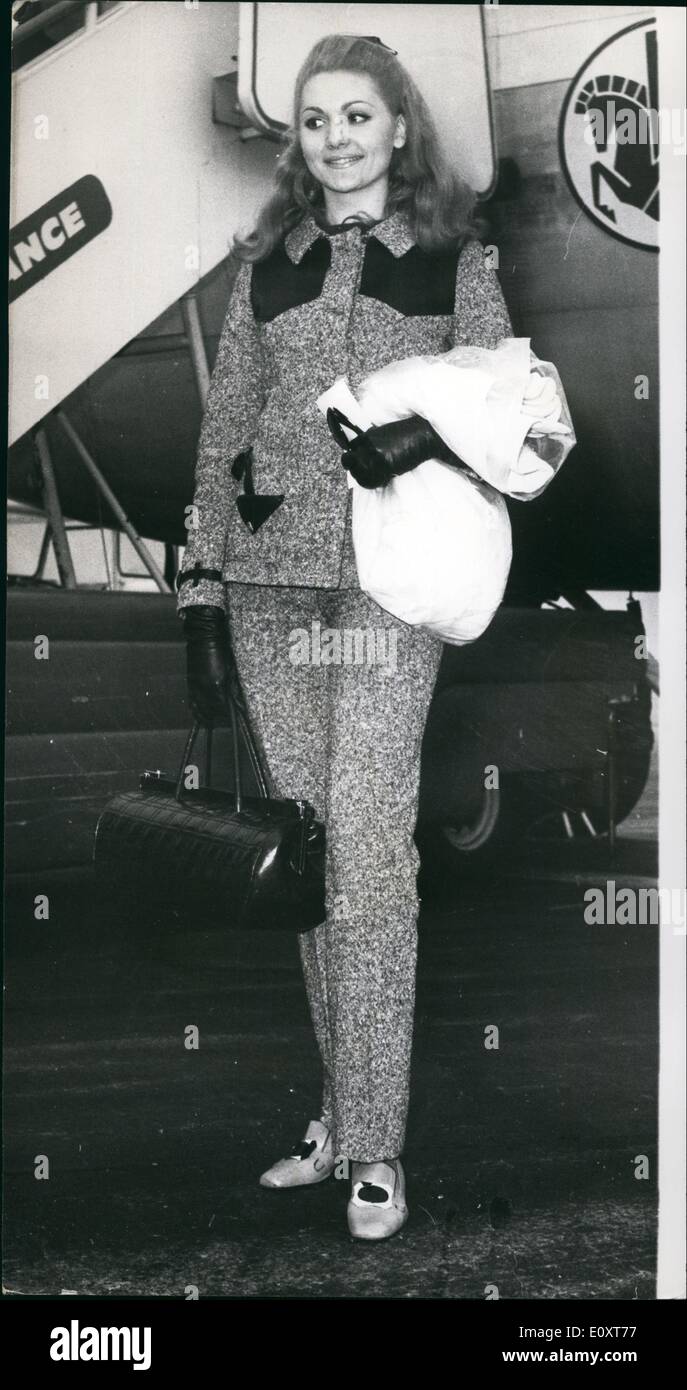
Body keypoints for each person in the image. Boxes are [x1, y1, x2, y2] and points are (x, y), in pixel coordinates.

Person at [176, 33, 512, 1241]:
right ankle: (337, 1112)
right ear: (297, 139)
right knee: (314, 858)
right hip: (270, 586)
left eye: (357, 116)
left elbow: (513, 402)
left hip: (387, 587)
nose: (335, 139)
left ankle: (378, 1146)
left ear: (399, 126)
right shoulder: (264, 262)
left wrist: (422, 440)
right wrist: (202, 588)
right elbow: (225, 431)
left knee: (371, 857)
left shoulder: (460, 256)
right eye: (314, 121)